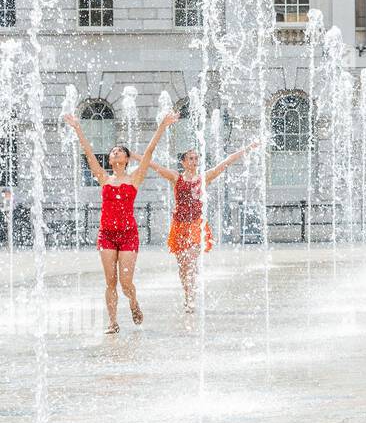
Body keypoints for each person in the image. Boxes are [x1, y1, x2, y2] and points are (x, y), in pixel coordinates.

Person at [64, 110, 178, 333]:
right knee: (110, 282)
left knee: (126, 284)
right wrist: (78, 129)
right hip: (106, 235)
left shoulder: (135, 178)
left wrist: (162, 126)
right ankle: (113, 322)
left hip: (128, 235)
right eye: (113, 152)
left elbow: (148, 152)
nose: (115, 153)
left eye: (120, 152)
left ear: (126, 159)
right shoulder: (104, 178)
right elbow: (88, 154)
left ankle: (133, 302)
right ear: (110, 159)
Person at [149, 141, 259, 313]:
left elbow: (226, 162)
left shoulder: (203, 178)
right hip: (179, 226)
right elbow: (156, 167)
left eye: (196, 158)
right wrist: (136, 156)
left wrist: (246, 149)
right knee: (183, 266)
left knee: (192, 262)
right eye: (190, 159)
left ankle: (191, 299)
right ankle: (187, 295)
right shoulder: (176, 177)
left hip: (196, 225)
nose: (194, 161)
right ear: (183, 162)